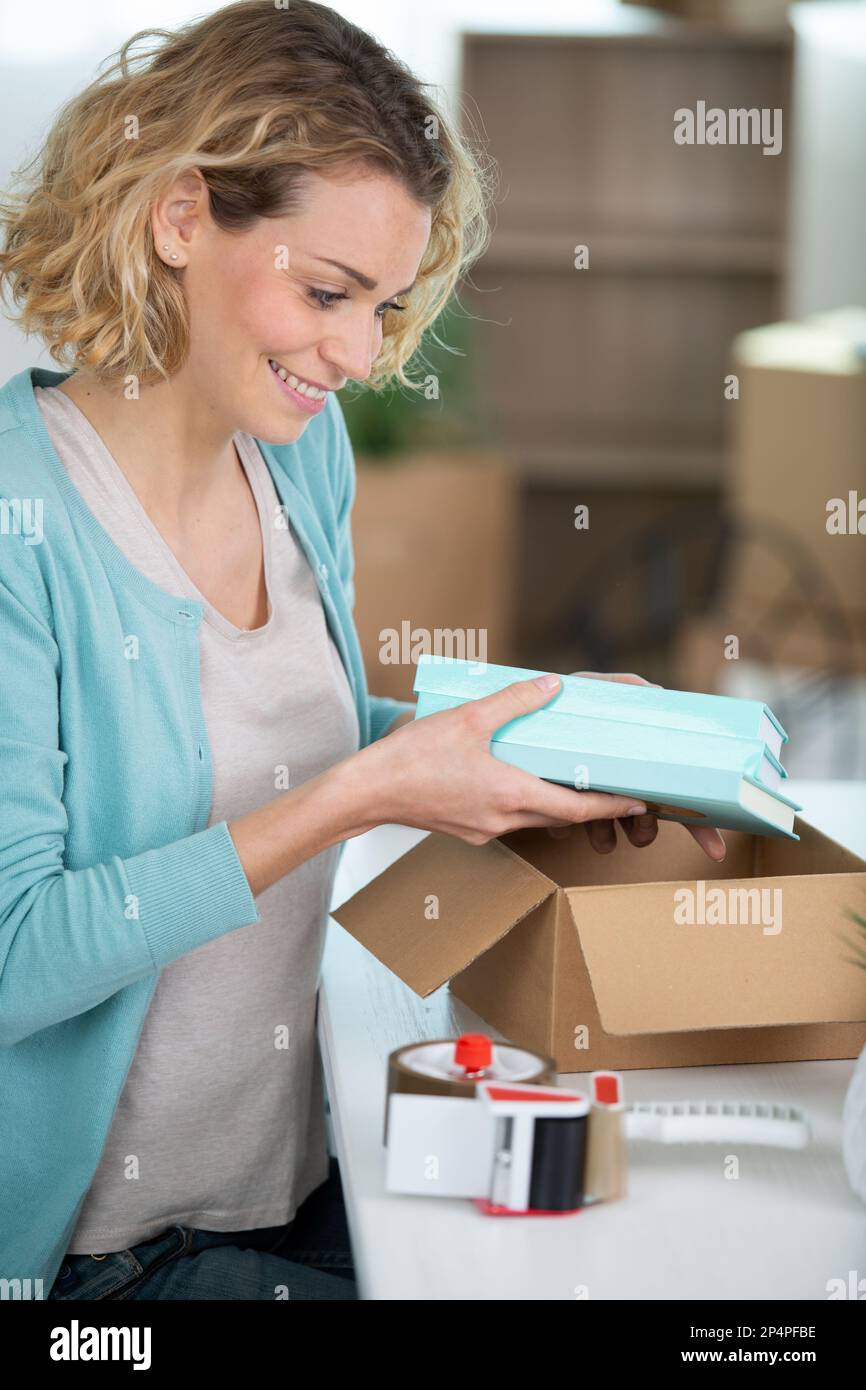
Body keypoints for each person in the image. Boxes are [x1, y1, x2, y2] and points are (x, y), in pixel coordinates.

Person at [0, 0, 725, 1302]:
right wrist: (361, 795)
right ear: (180, 216)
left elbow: (298, 734)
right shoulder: (23, 521)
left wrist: (545, 727)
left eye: (383, 306)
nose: (357, 353)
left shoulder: (296, 452)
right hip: (98, 1264)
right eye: (325, 293)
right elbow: (15, 958)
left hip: (300, 1173)